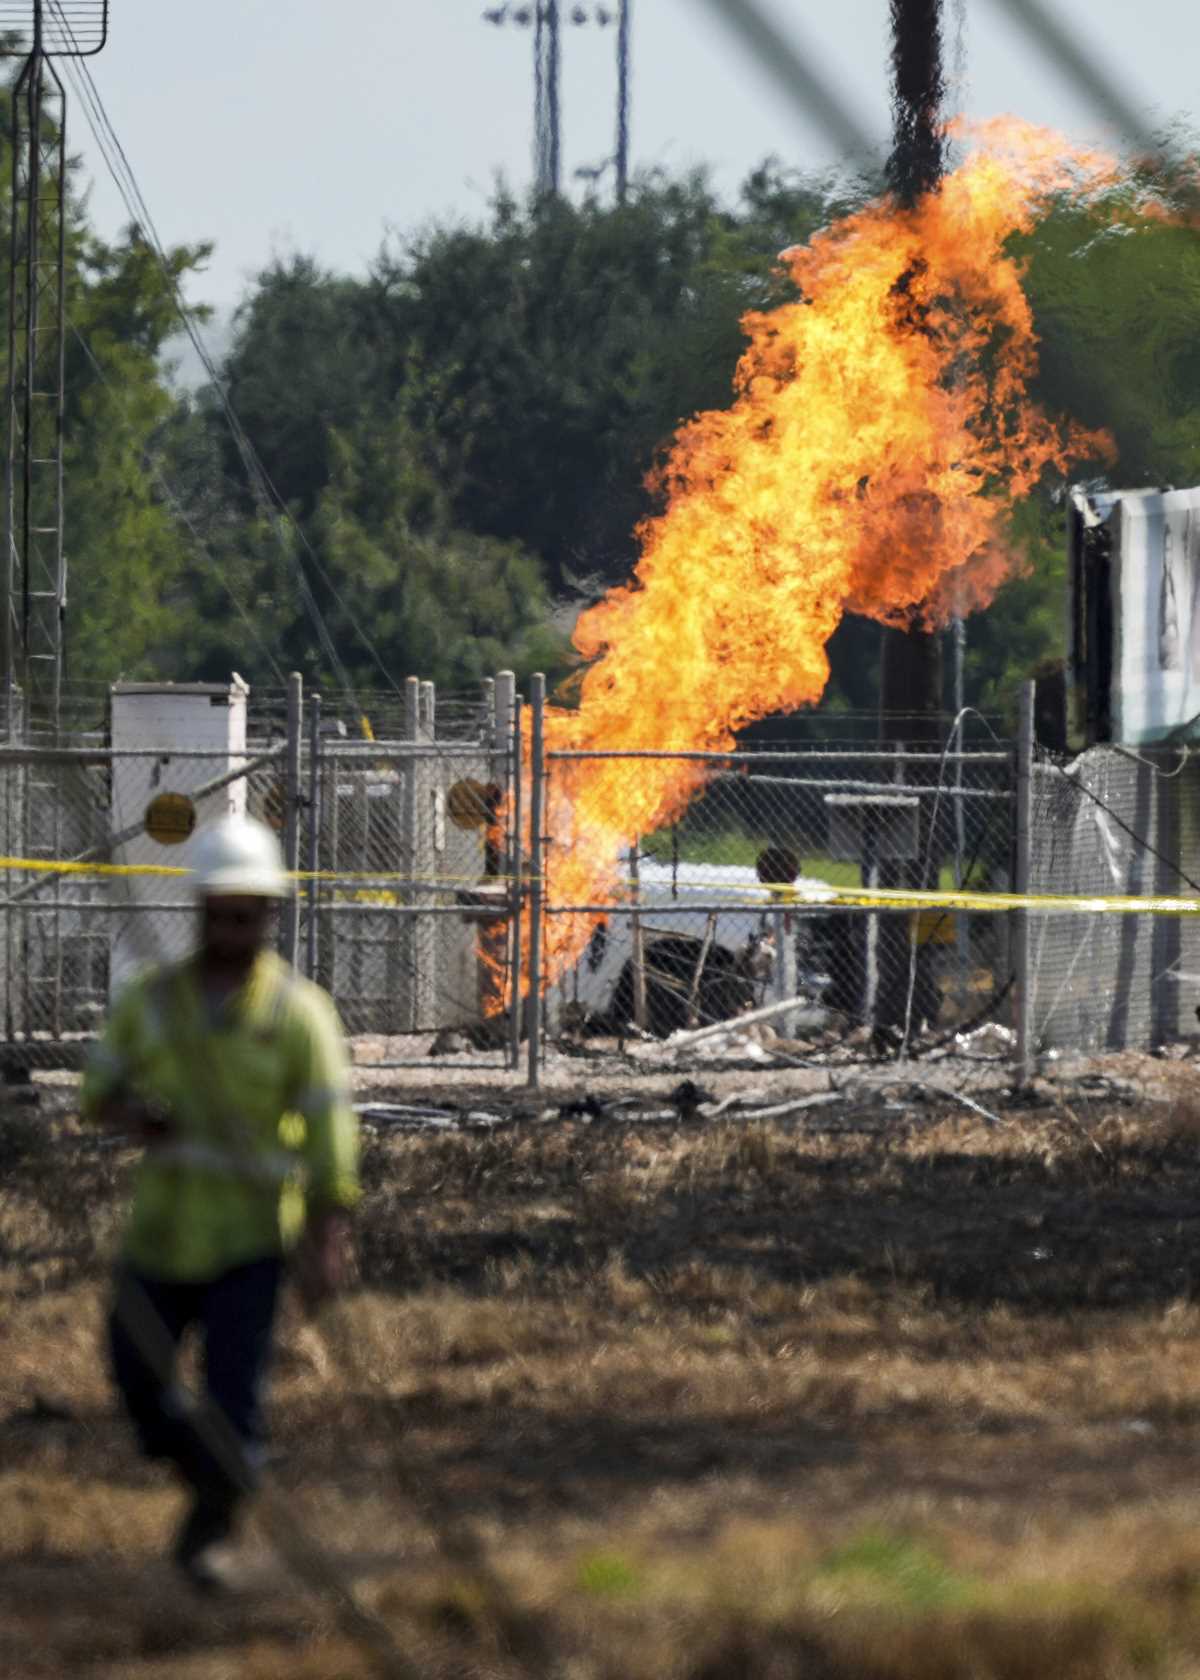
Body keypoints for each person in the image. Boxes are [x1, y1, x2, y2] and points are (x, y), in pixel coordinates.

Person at [81, 813, 360, 1591]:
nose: (235, 927)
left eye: (249, 913)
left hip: (250, 1243)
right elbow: (96, 1090)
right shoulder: (153, 1003)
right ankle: (214, 1467)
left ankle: (210, 1531)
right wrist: (132, 1114)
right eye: (221, 912)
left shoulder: (297, 1016)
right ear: (198, 910)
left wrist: (328, 1232)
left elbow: (331, 1130)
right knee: (136, 1376)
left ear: (269, 915)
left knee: (234, 1398)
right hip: (162, 1236)